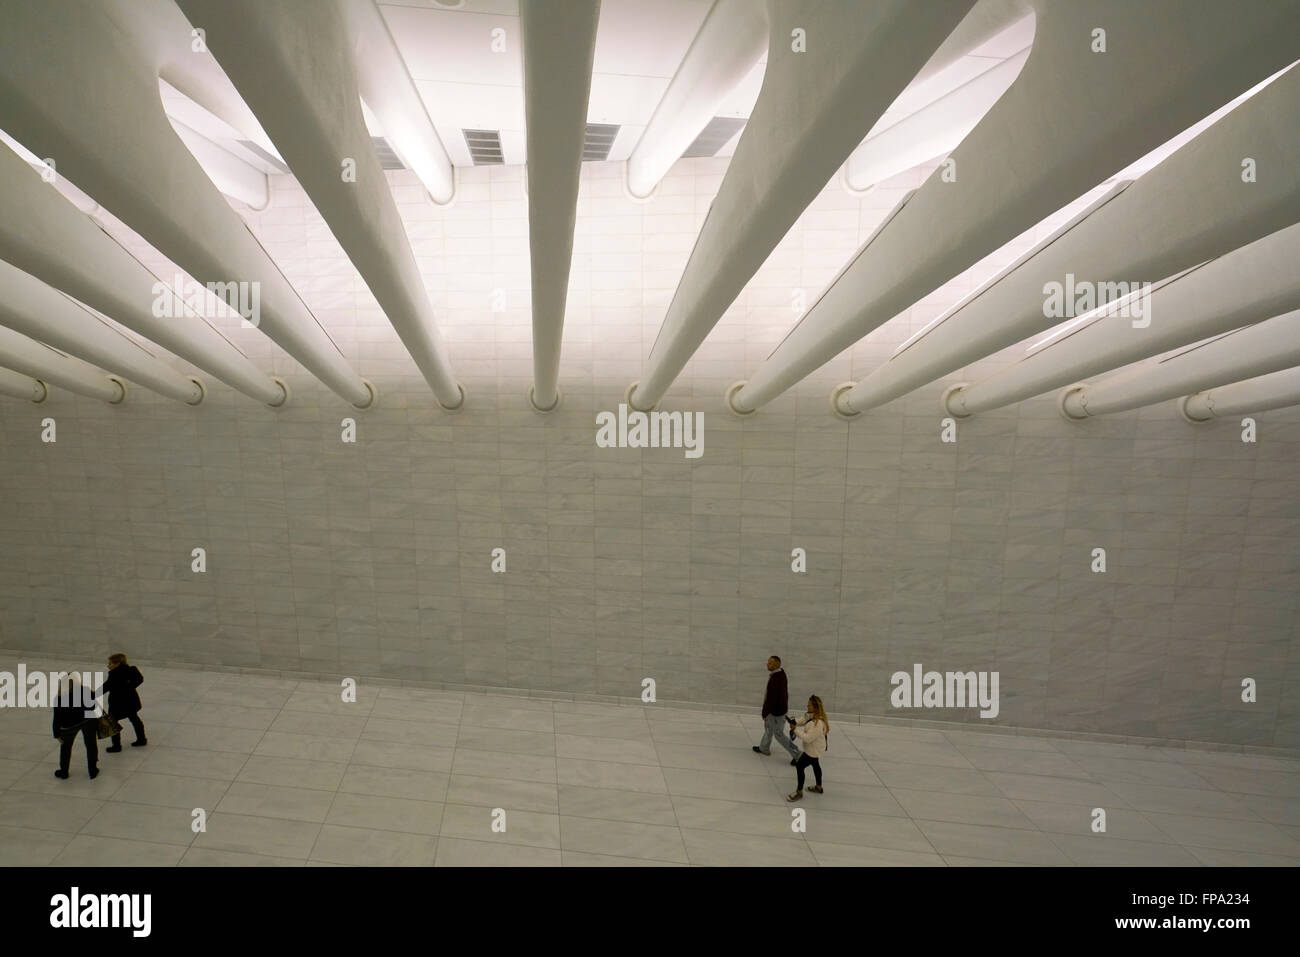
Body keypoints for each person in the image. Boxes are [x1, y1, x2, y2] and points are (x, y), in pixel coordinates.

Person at [52, 673, 99, 780]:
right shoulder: (85, 690)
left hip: (68, 727)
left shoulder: (59, 698)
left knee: (66, 748)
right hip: (88, 721)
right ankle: (92, 770)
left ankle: (64, 771)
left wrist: (56, 734)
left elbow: (57, 718)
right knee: (91, 745)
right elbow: (94, 705)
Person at [752, 655, 799, 759]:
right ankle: (764, 748)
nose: (767, 664)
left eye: (770, 663)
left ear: (777, 664)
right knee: (768, 729)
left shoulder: (776, 679)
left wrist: (765, 713)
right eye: (768, 662)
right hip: (779, 710)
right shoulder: (780, 673)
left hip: (775, 712)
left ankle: (798, 754)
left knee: (779, 734)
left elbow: (771, 699)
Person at [99, 653, 146, 751]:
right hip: (131, 701)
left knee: (112, 723)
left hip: (117, 704)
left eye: (110, 663)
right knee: (135, 719)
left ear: (118, 663)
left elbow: (106, 686)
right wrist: (129, 686)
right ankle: (142, 739)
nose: (108, 666)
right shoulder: (132, 670)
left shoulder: (114, 674)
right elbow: (140, 679)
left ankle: (116, 746)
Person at [786, 695, 829, 801]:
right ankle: (819, 787)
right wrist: (794, 721)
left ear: (814, 707)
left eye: (809, 704)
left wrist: (795, 730)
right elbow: (803, 719)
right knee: (815, 764)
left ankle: (799, 792)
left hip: (813, 750)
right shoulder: (811, 715)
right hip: (816, 748)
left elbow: (807, 738)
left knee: (799, 766)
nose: (807, 705)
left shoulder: (817, 723)